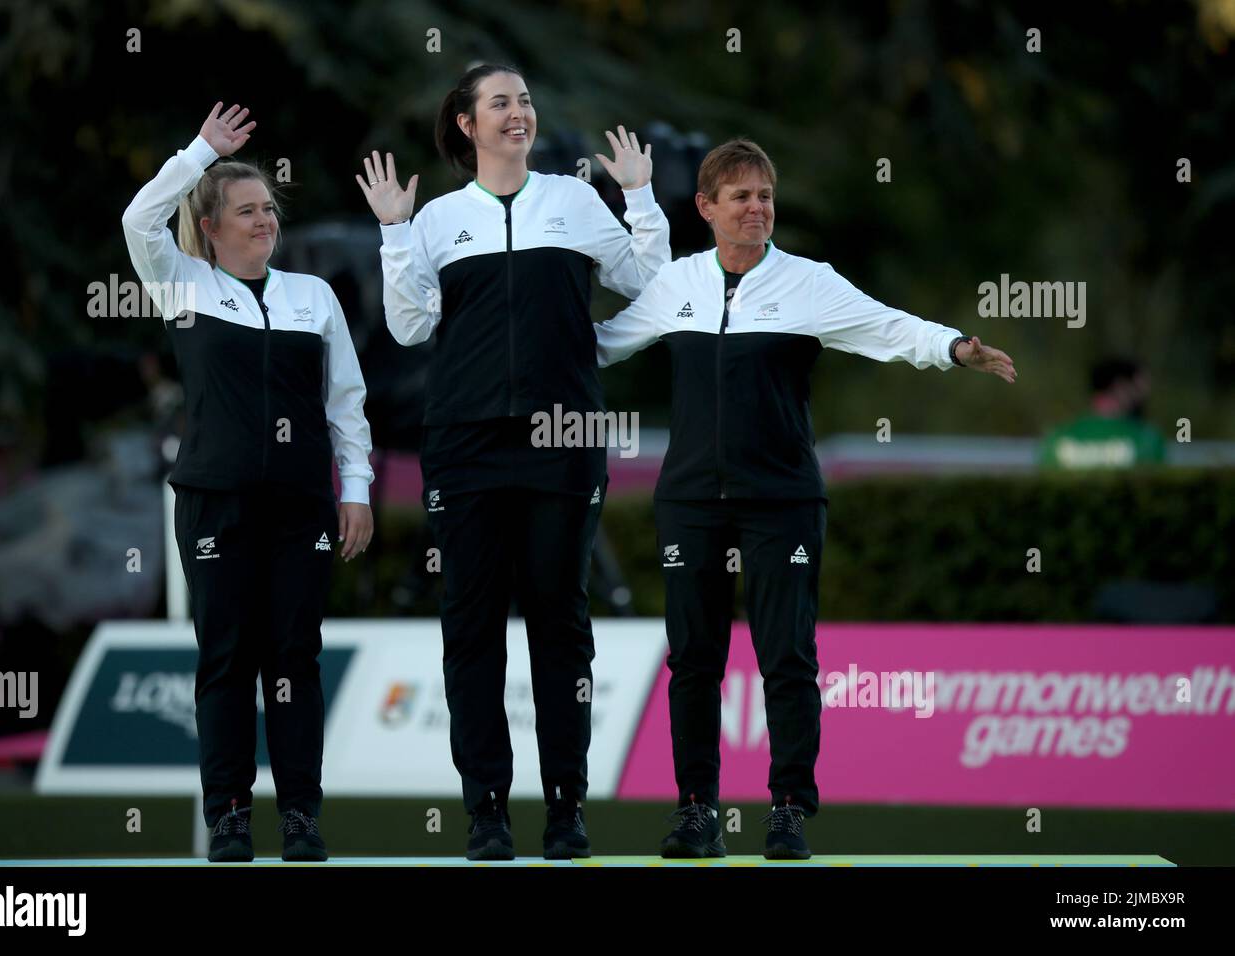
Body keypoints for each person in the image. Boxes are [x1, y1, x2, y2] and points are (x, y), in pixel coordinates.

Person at [594, 138, 1016, 859]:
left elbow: (888, 327)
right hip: (690, 500)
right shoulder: (675, 284)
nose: (757, 209)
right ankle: (696, 811)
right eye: (741, 198)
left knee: (785, 656)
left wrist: (954, 346)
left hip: (782, 498)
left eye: (765, 196)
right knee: (694, 661)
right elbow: (600, 344)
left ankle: (787, 808)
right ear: (706, 208)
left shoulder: (808, 281)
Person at [358, 63, 670, 860]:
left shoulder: (572, 201)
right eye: (500, 102)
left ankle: (566, 810)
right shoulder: (435, 219)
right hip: (464, 445)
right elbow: (406, 328)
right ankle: (486, 813)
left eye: (526, 100)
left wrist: (638, 197)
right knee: (471, 627)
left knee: (561, 626)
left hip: (563, 444)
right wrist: (395, 230)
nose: (518, 113)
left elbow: (648, 283)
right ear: (466, 124)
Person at [123, 103, 375, 862]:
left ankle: (300, 815)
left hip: (300, 507)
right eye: (247, 211)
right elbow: (141, 217)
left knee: (295, 658)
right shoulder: (183, 284)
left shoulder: (313, 297)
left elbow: (346, 402)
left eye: (269, 208)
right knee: (225, 658)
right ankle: (229, 816)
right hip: (215, 502)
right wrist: (200, 151)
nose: (265, 221)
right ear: (210, 226)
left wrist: (355, 487)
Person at [1037, 358, 1166, 469]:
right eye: (1138, 389)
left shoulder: (1056, 438)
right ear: (1120, 387)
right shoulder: (1147, 439)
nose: (1144, 397)